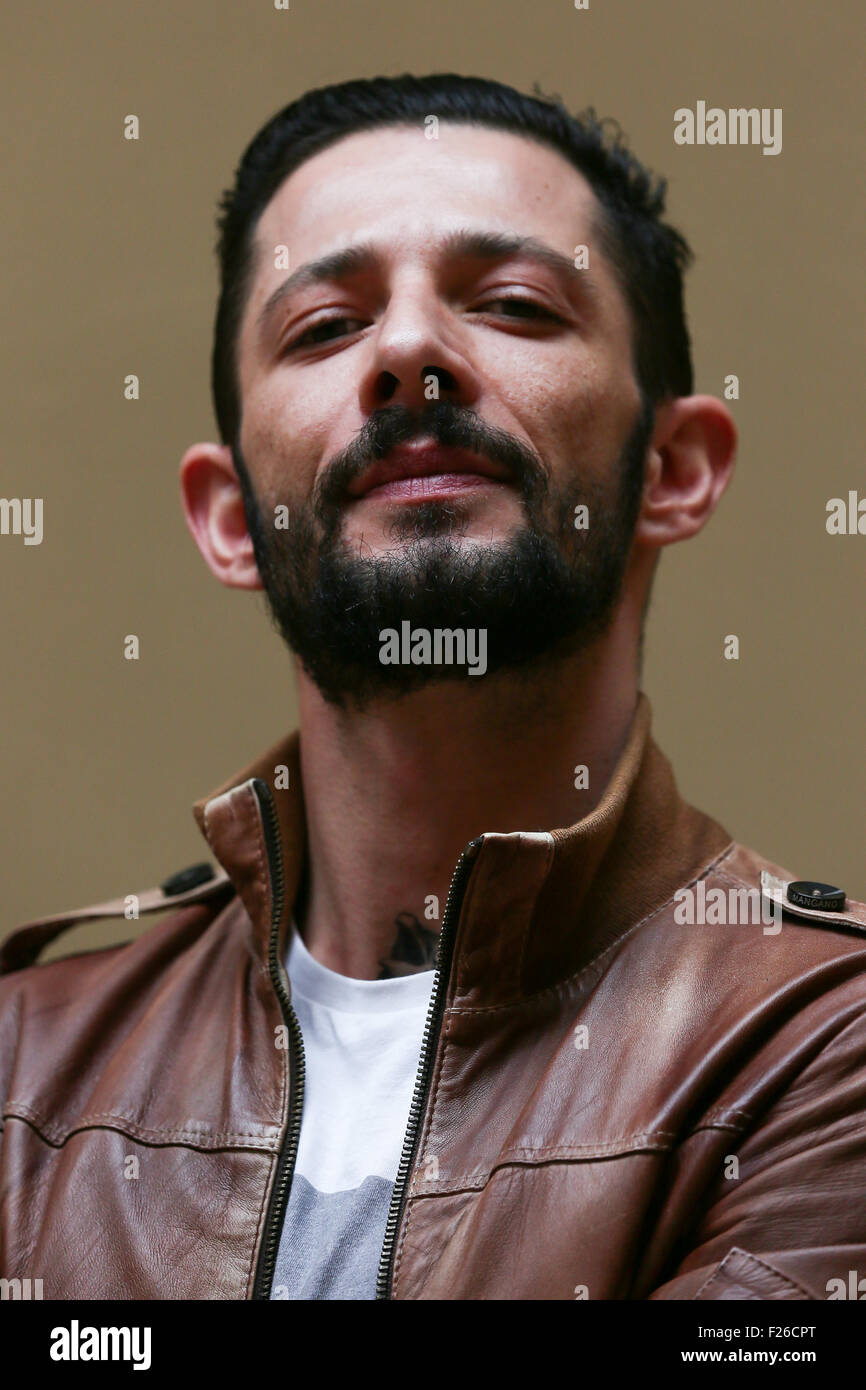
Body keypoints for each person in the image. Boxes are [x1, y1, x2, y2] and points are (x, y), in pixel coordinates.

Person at [2, 74, 864, 1302]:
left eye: (512, 304)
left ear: (671, 468)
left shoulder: (821, 1047)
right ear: (232, 516)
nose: (408, 350)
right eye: (323, 326)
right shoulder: (22, 1070)